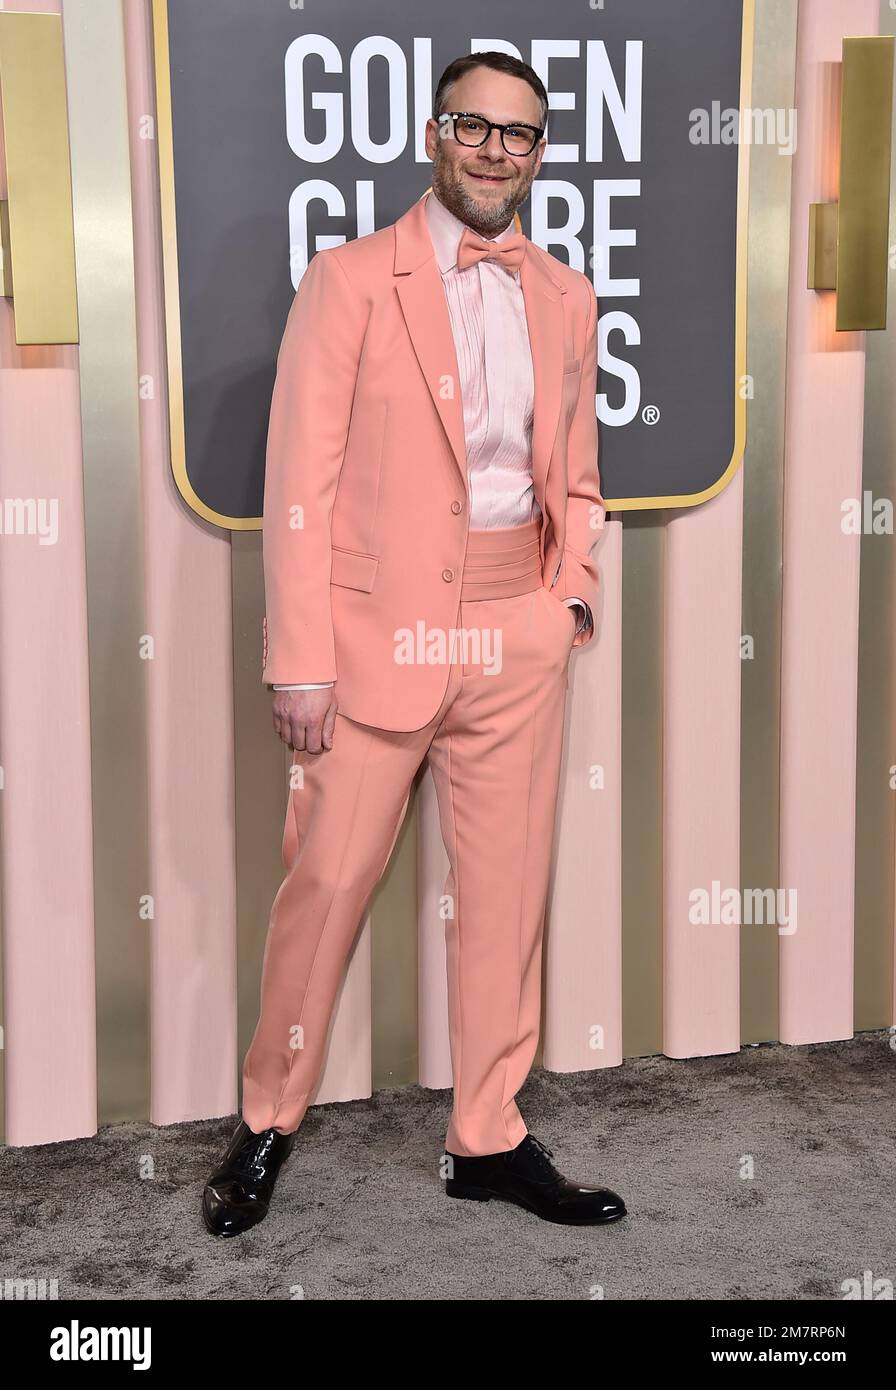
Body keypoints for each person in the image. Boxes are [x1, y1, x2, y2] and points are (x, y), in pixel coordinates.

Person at [202, 50, 626, 1236]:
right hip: (370, 635)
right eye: (474, 128)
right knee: (324, 884)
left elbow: (575, 479)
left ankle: (486, 1135)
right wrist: (300, 658)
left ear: (539, 154)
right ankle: (267, 1119)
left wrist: (566, 599)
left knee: (505, 898)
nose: (497, 151)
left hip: (515, 637)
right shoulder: (347, 281)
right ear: (433, 136)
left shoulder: (563, 292)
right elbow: (301, 478)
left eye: (521, 135)